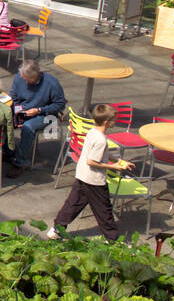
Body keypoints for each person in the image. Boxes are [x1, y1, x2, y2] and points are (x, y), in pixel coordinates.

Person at [48, 103, 134, 241]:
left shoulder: (92, 132)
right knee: (104, 210)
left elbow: (99, 154)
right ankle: (113, 239)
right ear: (106, 122)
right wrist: (115, 167)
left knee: (73, 204)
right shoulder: (101, 140)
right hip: (94, 180)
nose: (114, 123)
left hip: (82, 175)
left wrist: (117, 160)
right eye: (113, 121)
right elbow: (92, 161)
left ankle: (57, 229)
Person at [9, 60, 67, 176]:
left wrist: (40, 110)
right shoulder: (19, 78)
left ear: (37, 74)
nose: (25, 81)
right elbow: (13, 96)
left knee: (27, 127)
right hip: (22, 110)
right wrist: (17, 110)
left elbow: (60, 104)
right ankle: (8, 150)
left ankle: (19, 163)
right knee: (2, 119)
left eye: (29, 79)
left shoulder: (52, 84)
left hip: (45, 114)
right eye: (23, 78)